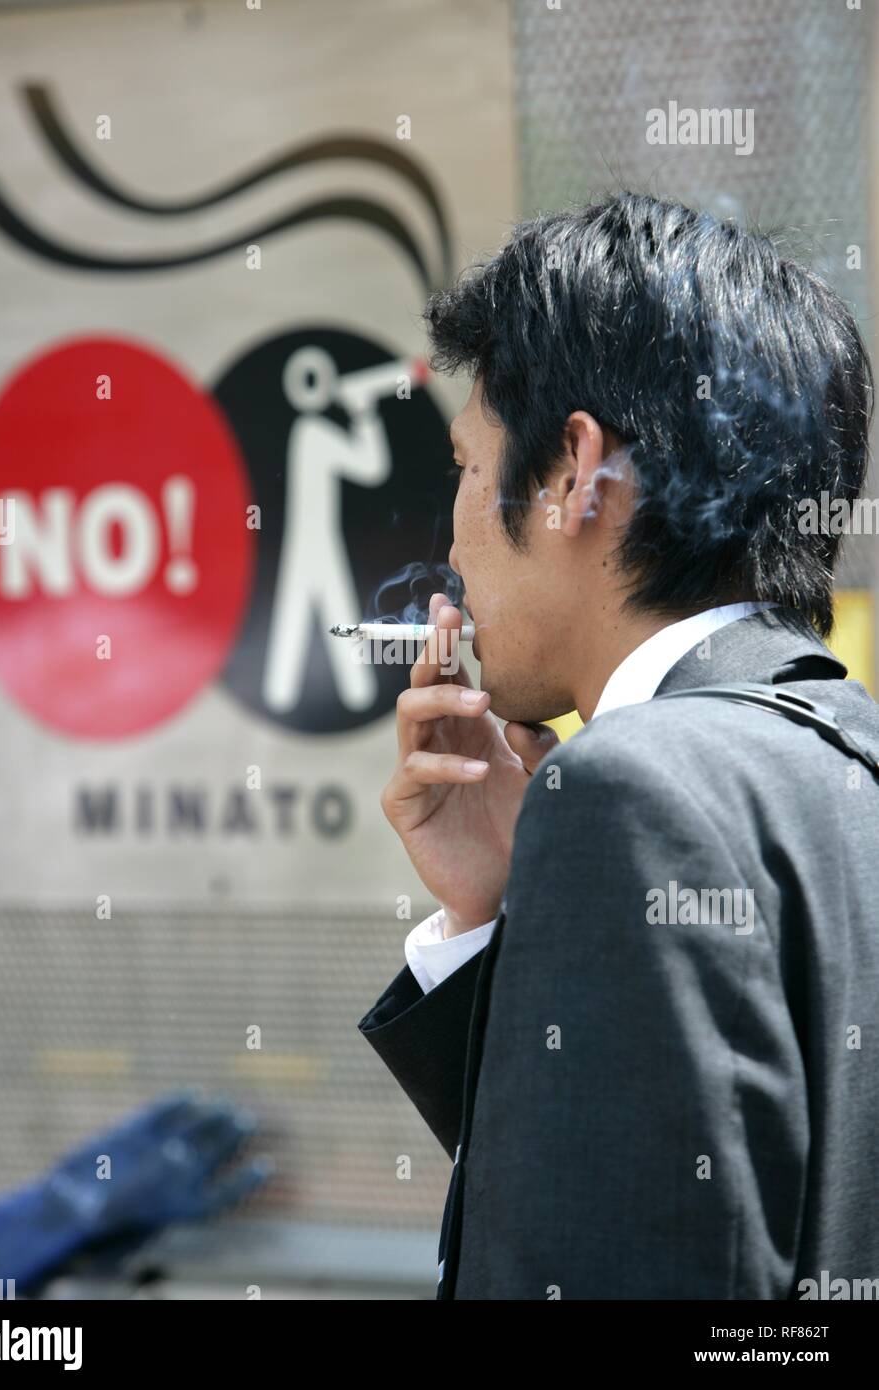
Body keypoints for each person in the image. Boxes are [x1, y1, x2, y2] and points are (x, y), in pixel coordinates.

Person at [357, 191, 879, 1299]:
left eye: (463, 464)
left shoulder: (628, 790)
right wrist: (505, 915)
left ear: (570, 473)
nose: (450, 532)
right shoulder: (845, 757)